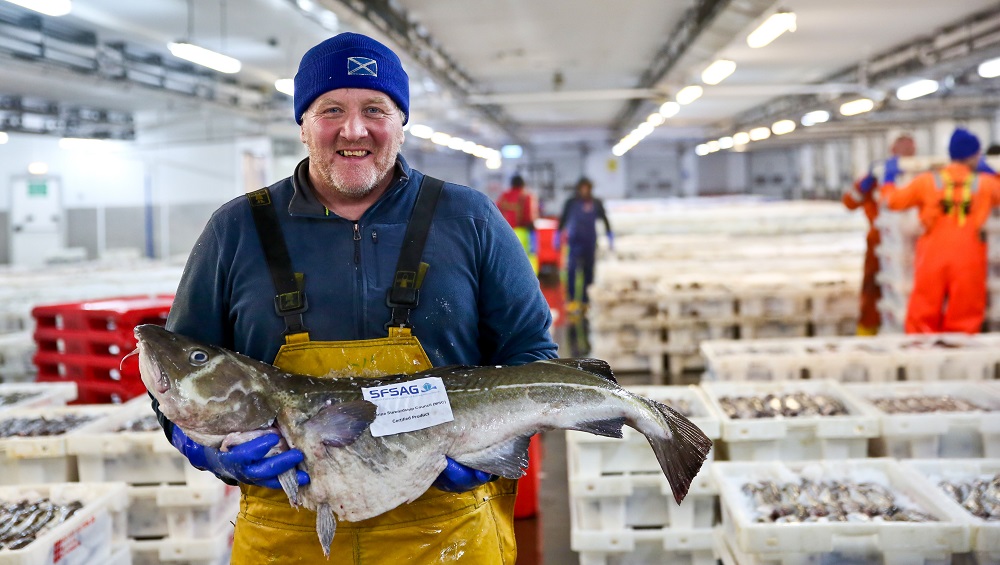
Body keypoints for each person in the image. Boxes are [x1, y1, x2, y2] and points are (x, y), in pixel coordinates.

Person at [151, 32, 557, 564]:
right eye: (330, 109)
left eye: (375, 108)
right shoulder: (237, 229)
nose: (354, 129)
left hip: (447, 531)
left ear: (402, 121)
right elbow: (177, 375)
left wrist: (493, 444)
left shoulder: (470, 218)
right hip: (288, 534)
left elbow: (531, 354)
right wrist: (204, 449)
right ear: (302, 124)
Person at [881, 128, 1000, 333]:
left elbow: (893, 201)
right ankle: (960, 360)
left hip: (931, 255)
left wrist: (888, 180)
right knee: (964, 319)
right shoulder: (985, 184)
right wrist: (995, 173)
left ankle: (921, 359)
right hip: (969, 256)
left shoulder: (927, 181)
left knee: (922, 314)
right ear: (974, 156)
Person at [842, 134, 916, 336]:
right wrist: (864, 183)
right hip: (878, 243)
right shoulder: (878, 177)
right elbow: (849, 203)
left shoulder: (918, 176)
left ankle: (908, 332)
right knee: (872, 292)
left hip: (913, 245)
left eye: (910, 149)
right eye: (903, 148)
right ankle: (867, 333)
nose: (906, 152)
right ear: (892, 149)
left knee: (909, 293)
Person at [555, 177, 613, 314]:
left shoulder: (596, 203)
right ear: (578, 188)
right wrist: (557, 236)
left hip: (590, 243)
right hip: (574, 243)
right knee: (572, 272)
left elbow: (605, 220)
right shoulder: (570, 203)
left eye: (587, 188)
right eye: (582, 187)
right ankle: (572, 301)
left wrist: (610, 236)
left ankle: (586, 301)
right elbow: (563, 219)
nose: (584, 190)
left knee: (589, 272)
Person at [495, 174, 539, 273]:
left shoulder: (504, 196)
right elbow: (529, 216)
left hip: (506, 231)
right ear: (522, 184)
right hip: (522, 231)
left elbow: (496, 211)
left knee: (508, 257)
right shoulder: (526, 196)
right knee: (526, 257)